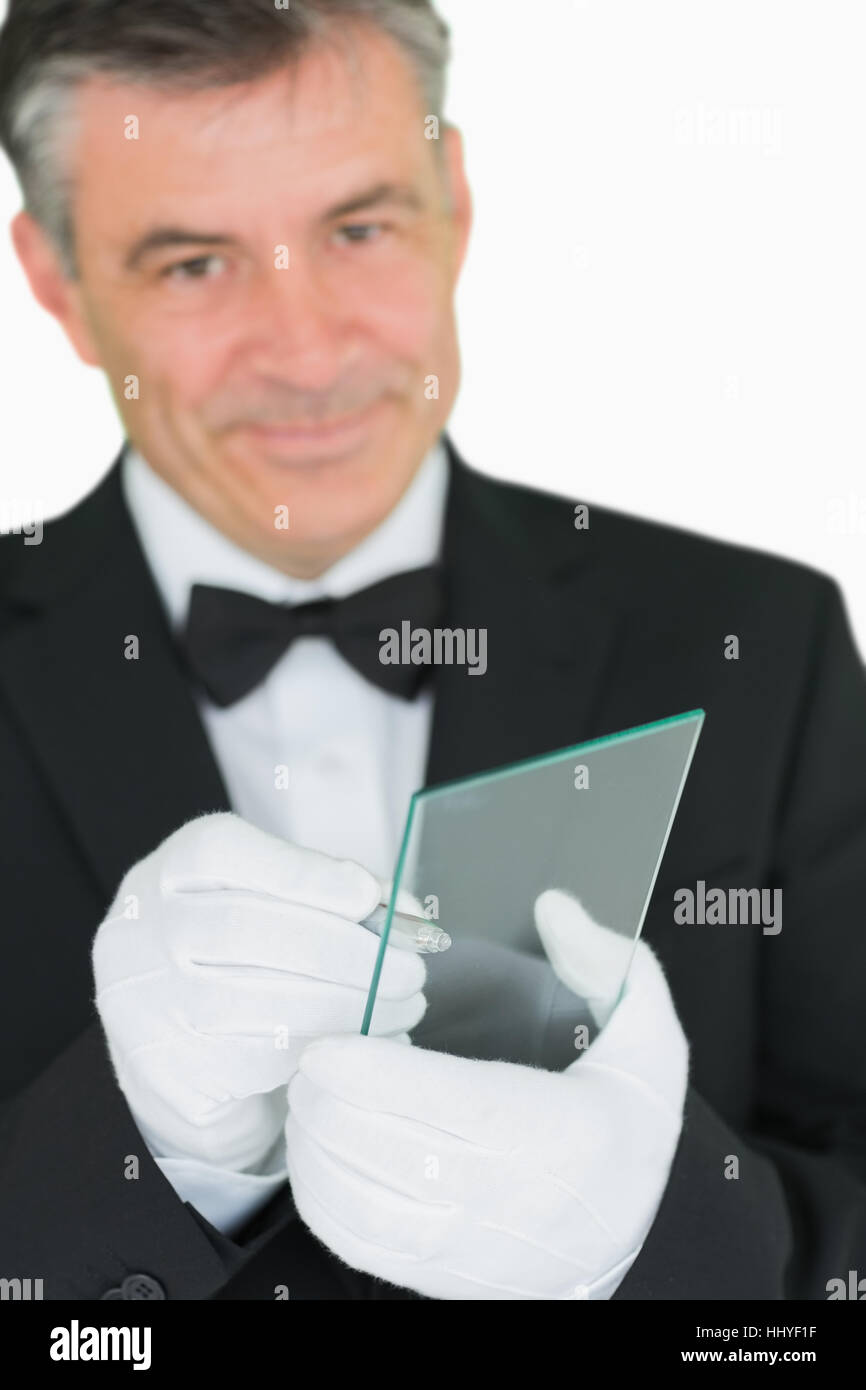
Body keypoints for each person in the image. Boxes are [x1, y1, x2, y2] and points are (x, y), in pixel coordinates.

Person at [1, 0, 864, 1302]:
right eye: (193, 264)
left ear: (452, 198)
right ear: (56, 280)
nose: (306, 352)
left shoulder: (760, 639)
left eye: (357, 228)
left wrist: (659, 1225)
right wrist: (140, 1145)